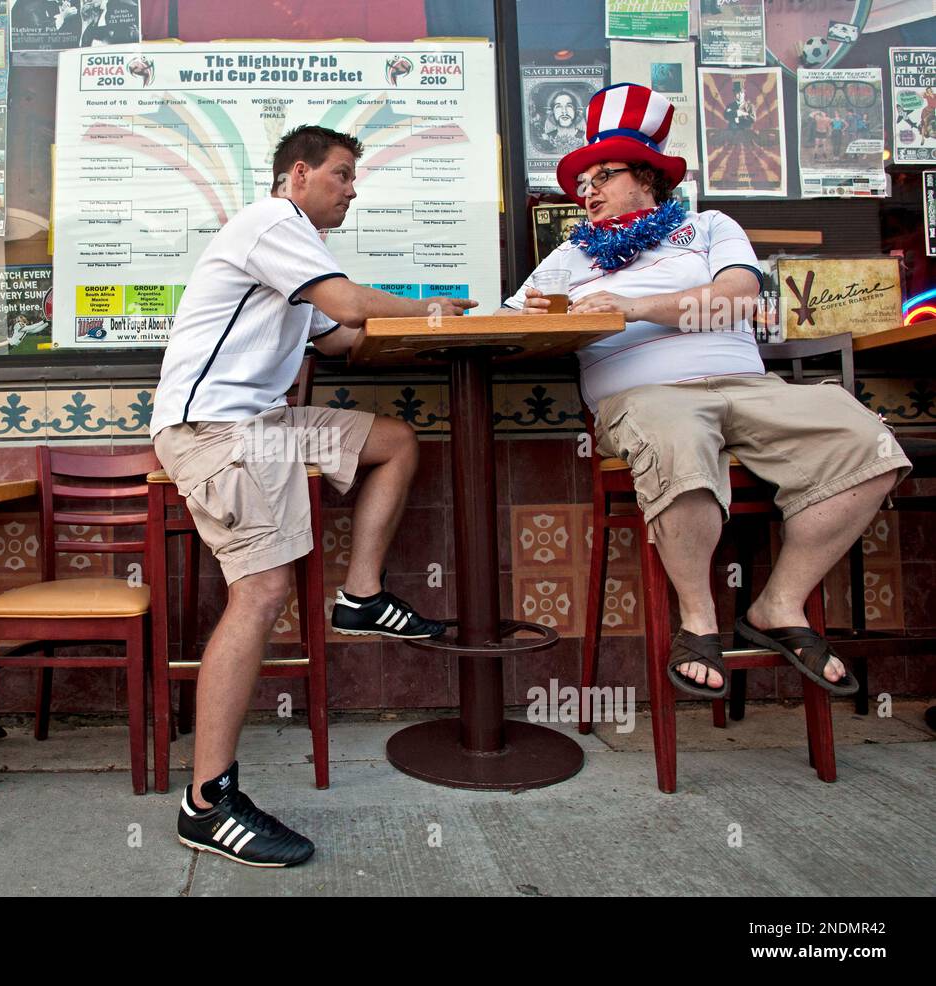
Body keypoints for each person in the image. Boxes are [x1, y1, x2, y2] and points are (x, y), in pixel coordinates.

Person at [497, 83, 910, 703]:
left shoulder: (709, 227)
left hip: (747, 385)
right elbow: (509, 326)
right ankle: (699, 620)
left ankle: (778, 604)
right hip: (644, 396)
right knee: (679, 436)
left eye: (601, 175)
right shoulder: (567, 258)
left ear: (646, 177)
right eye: (581, 182)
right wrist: (517, 319)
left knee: (866, 441)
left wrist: (632, 305)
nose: (587, 192)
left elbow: (741, 296)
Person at [150, 125, 474, 867]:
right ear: (297, 174)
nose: (353, 189)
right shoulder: (270, 223)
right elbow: (350, 301)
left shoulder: (301, 248)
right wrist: (428, 310)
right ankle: (206, 800)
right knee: (261, 593)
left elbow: (341, 339)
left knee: (393, 443)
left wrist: (447, 330)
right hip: (214, 431)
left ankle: (360, 595)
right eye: (342, 174)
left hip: (265, 425)